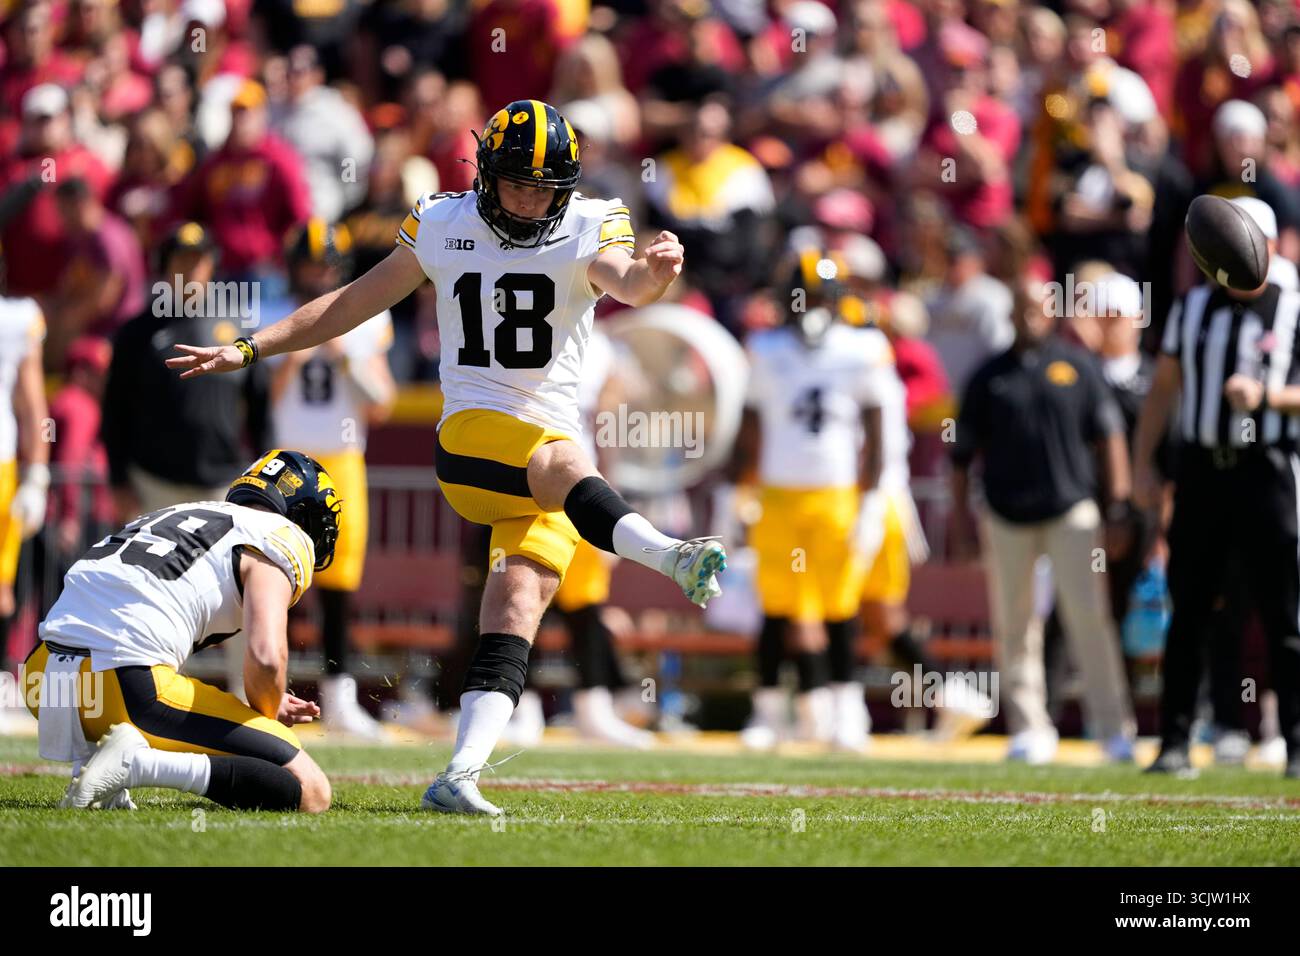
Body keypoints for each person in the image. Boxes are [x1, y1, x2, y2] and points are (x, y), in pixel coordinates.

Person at [167, 99, 727, 816]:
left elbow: (627, 280)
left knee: (516, 604)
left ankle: (459, 773)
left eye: (542, 185)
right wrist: (249, 345)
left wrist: (654, 275)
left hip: (551, 455)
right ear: (485, 175)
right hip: (473, 441)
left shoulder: (592, 220)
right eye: (515, 182)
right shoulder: (442, 222)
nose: (528, 199)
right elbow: (351, 302)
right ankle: (673, 556)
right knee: (560, 464)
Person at [20, 451, 339, 813]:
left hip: (43, 681)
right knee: (310, 790)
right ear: (302, 517)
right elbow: (266, 658)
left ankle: (99, 764)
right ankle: (137, 764)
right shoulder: (280, 537)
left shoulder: (183, 513)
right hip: (123, 685)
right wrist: (267, 706)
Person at [950, 274, 1137, 764]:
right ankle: (1030, 726)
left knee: (1089, 617)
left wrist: (1116, 507)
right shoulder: (989, 375)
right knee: (1014, 623)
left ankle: (1112, 726)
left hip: (1072, 510)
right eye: (1022, 309)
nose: (1030, 317)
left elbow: (1109, 438)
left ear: (1052, 312)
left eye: (1038, 308)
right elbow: (961, 454)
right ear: (1010, 314)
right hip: (1007, 514)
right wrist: (961, 520)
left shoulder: (1077, 367)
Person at [1134, 250, 1300, 779]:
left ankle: (1296, 743)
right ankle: (1175, 742)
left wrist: (1267, 397)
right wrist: (1143, 462)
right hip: (1204, 471)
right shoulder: (1192, 307)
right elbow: (1163, 388)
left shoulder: (1292, 308)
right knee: (1188, 612)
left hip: (1267, 470)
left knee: (1283, 614)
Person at [725, 251, 887, 751]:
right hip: (778, 494)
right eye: (804, 298)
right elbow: (749, 427)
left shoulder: (862, 348)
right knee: (775, 604)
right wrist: (735, 494)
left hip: (836, 494)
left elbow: (877, 432)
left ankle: (846, 710)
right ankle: (769, 712)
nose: (810, 308)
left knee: (840, 606)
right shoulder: (766, 348)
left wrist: (873, 502)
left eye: (819, 298)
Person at [268, 219, 396, 738]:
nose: (318, 274)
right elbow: (258, 402)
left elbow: (383, 404)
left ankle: (339, 698)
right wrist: (292, 352)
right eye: (310, 265)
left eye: (325, 265)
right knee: (271, 578)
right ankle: (266, 691)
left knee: (340, 582)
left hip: (342, 459)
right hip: (283, 459)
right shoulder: (272, 315)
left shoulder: (365, 321)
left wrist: (347, 359)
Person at [0, 286, 49, 677]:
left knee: (1, 587)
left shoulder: (16, 317)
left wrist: (37, 473)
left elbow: (34, 405)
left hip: (1, 461)